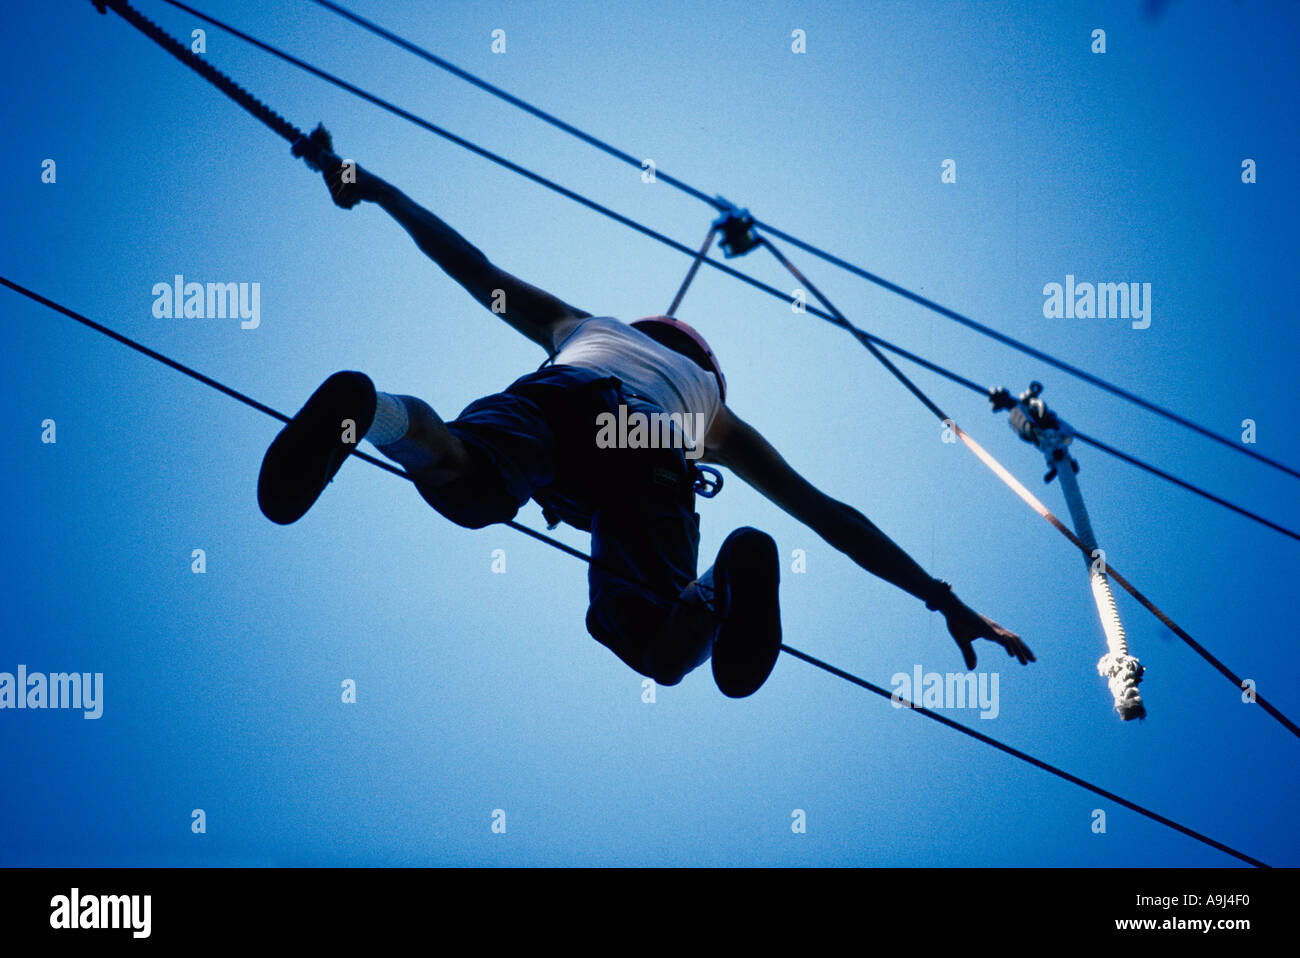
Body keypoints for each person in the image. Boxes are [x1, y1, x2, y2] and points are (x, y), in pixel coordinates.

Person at [258, 143, 1034, 699]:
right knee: (660, 644)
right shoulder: (714, 416)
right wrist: (940, 597)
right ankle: (724, 581)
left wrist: (376, 188)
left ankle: (375, 411)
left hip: (557, 397)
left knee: (464, 473)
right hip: (650, 448)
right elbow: (832, 517)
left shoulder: (578, 325)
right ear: (707, 364)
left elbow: (472, 267)